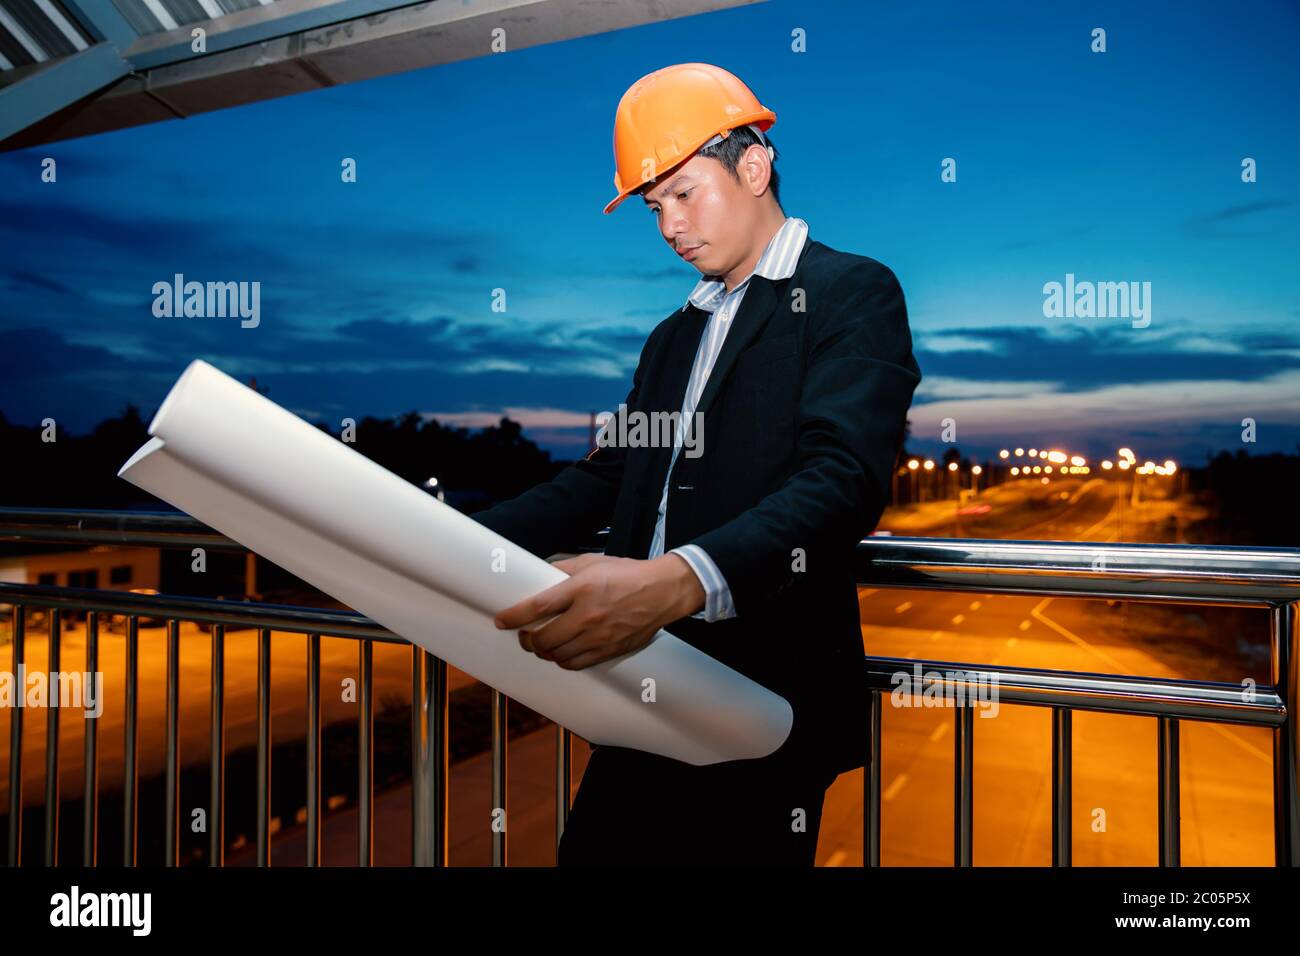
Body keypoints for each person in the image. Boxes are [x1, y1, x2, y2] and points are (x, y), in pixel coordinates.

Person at [475, 62, 922, 865]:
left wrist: (678, 580)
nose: (669, 227)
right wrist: (441, 535)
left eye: (684, 193)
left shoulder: (851, 293)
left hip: (763, 702)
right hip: (643, 682)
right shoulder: (674, 336)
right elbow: (609, 475)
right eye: (654, 207)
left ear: (753, 167)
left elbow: (842, 480)